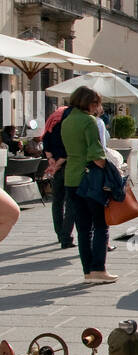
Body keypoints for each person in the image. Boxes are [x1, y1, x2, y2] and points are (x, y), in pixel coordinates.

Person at [60, 86, 117, 284]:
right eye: (97, 104)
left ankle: (87, 272)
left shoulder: (67, 121)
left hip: (71, 177)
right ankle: (98, 269)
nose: (98, 108)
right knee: (101, 224)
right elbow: (96, 155)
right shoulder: (89, 121)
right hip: (89, 179)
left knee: (83, 228)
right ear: (90, 103)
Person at [41, 103, 75, 248]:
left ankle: (59, 233)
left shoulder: (51, 123)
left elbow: (45, 143)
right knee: (71, 202)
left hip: (55, 166)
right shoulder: (67, 124)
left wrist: (52, 162)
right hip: (67, 165)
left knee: (57, 201)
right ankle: (66, 236)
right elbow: (68, 149)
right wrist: (58, 163)